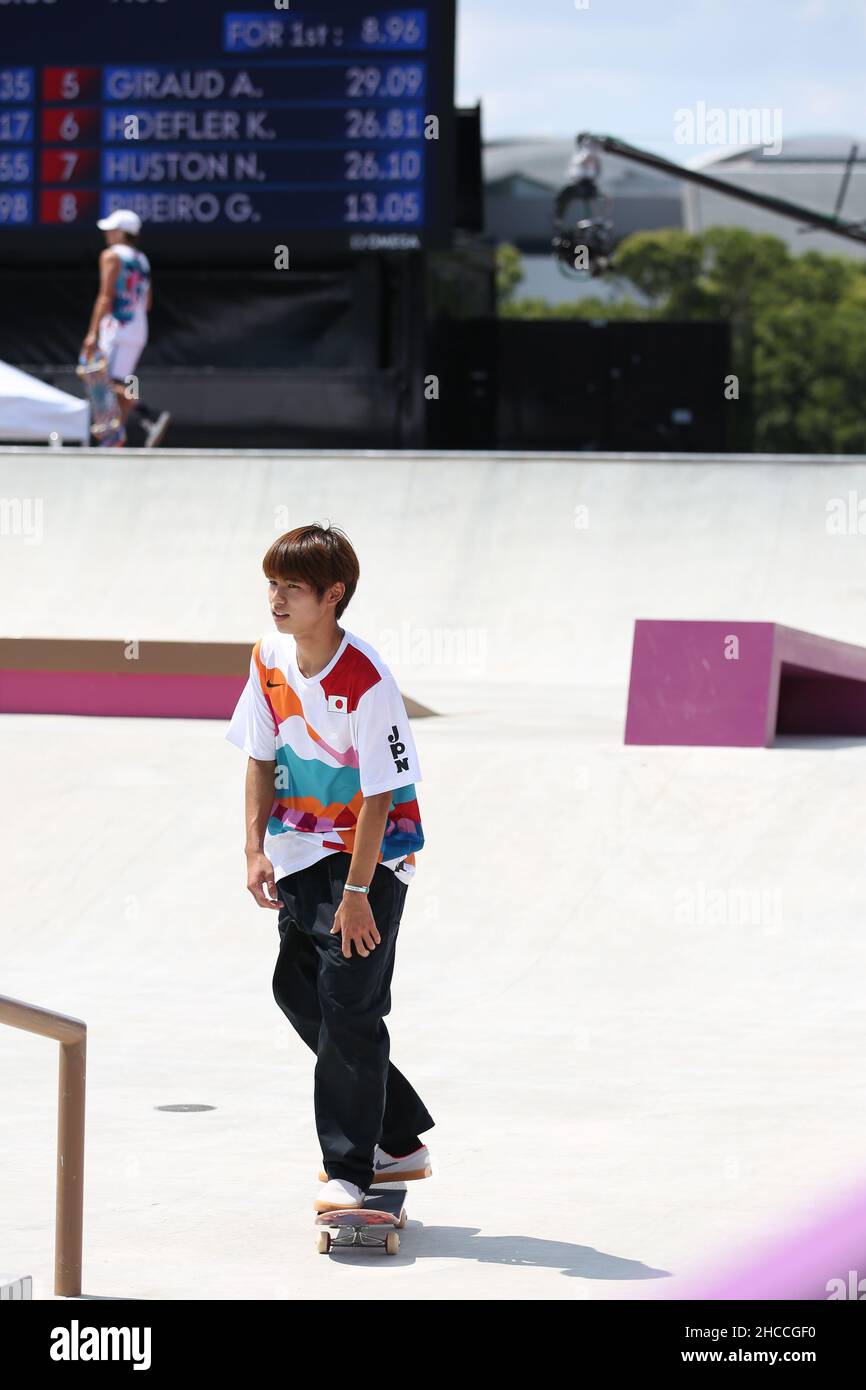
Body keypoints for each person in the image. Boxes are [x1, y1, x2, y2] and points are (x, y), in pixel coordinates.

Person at [225, 522, 435, 1213]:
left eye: (290, 587)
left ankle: (351, 1168)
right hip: (299, 853)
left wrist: (357, 893)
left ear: (332, 595)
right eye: (272, 584)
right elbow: (259, 755)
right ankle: (398, 1134)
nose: (275, 599)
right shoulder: (268, 659)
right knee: (299, 993)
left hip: (368, 862)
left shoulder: (367, 679)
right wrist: (255, 846)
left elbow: (381, 794)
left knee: (350, 1007)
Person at [80, 208, 170, 448]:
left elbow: (105, 296)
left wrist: (92, 333)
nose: (107, 234)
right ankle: (116, 437)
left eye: (112, 230)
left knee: (100, 380)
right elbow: (147, 302)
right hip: (139, 328)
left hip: (117, 327)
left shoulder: (111, 256)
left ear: (122, 233)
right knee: (118, 381)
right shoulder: (142, 260)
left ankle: (148, 414)